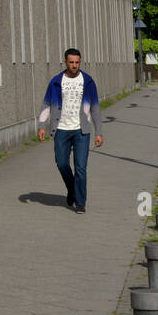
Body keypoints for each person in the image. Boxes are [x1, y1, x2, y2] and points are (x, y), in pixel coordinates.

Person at [37, 49, 103, 212]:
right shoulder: (56, 82)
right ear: (65, 62)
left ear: (80, 62)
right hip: (61, 130)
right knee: (62, 163)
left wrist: (99, 131)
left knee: (80, 168)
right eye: (71, 62)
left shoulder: (87, 81)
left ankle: (80, 203)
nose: (74, 65)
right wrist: (41, 126)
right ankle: (72, 189)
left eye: (77, 62)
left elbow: (95, 108)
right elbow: (46, 104)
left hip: (81, 131)